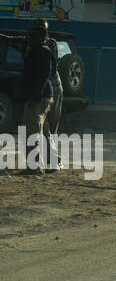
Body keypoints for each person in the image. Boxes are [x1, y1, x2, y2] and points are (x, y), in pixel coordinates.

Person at [20, 19, 58, 173]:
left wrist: (34, 96)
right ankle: (37, 165)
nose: (30, 38)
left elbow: (44, 75)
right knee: (37, 130)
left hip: (39, 96)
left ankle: (35, 167)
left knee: (32, 130)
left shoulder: (42, 51)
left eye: (33, 36)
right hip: (41, 94)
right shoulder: (38, 50)